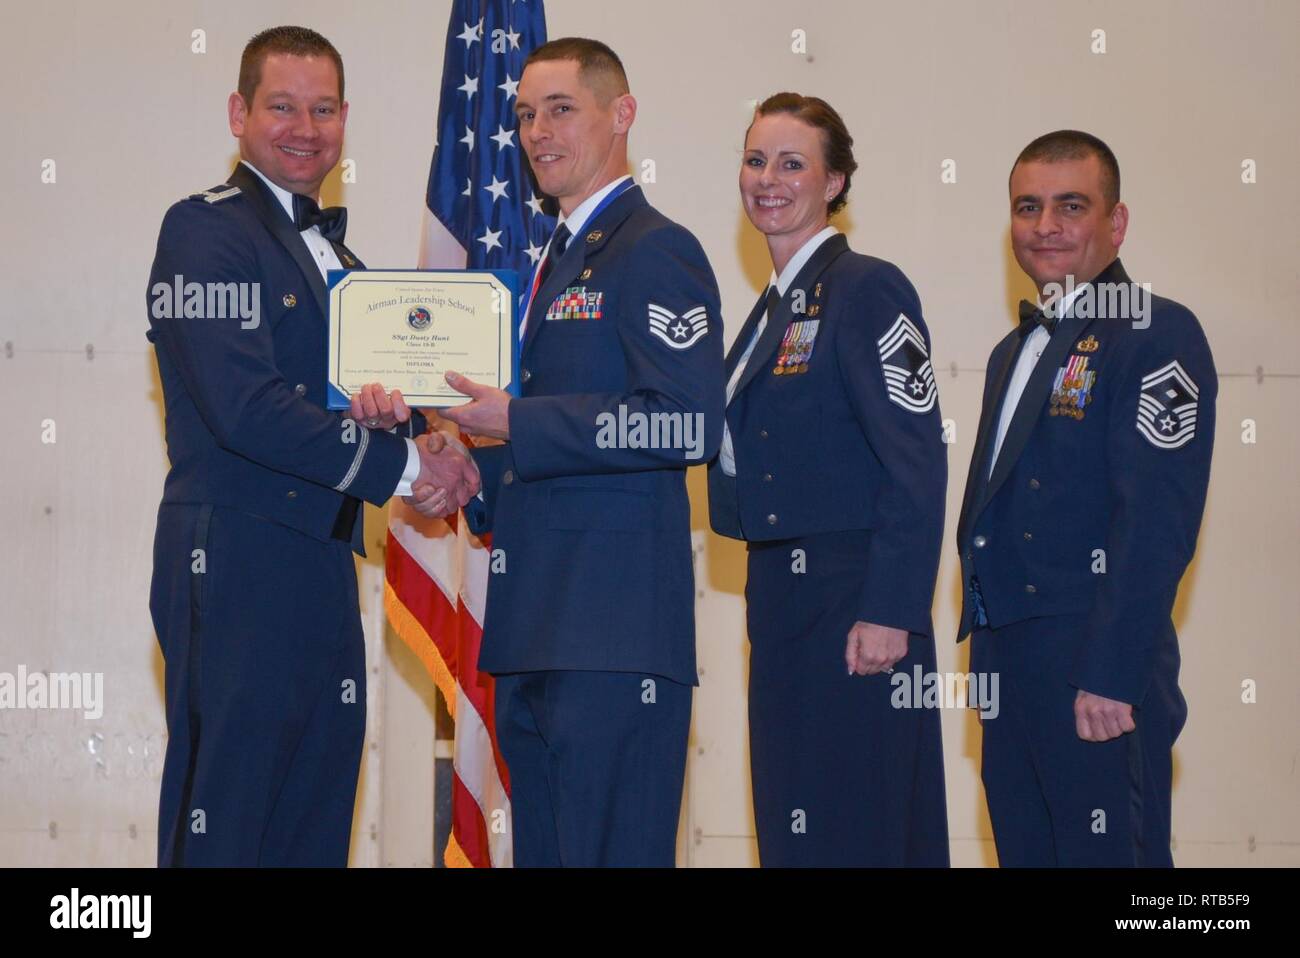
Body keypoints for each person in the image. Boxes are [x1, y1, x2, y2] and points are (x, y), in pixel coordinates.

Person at [146, 25, 478, 867]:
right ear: (238, 113)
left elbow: (356, 408)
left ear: (345, 120)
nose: (305, 128)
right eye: (282, 107)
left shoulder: (344, 262)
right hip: (235, 557)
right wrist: (412, 467)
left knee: (314, 815)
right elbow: (245, 408)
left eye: (323, 109)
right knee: (227, 814)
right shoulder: (204, 232)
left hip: (325, 561)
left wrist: (420, 432)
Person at [414, 37, 725, 867]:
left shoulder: (655, 248)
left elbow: (686, 423)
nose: (537, 133)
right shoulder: (556, 261)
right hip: (536, 633)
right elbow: (551, 444)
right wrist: (469, 475)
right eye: (524, 116)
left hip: (614, 642)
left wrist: (519, 421)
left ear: (622, 114)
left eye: (560, 110)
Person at [956, 130, 1216, 866]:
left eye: (1071, 206)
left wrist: (1111, 674)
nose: (1045, 226)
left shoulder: (1156, 332)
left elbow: (1157, 524)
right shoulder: (1013, 352)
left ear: (1116, 222)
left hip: (1094, 673)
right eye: (1027, 207)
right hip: (1011, 670)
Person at [706, 93, 950, 866]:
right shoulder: (767, 313)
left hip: (855, 608)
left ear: (835, 182)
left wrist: (891, 611)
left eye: (792, 164)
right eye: (755, 161)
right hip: (783, 606)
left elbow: (917, 458)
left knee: (859, 827)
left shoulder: (867, 289)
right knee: (797, 828)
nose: (767, 180)